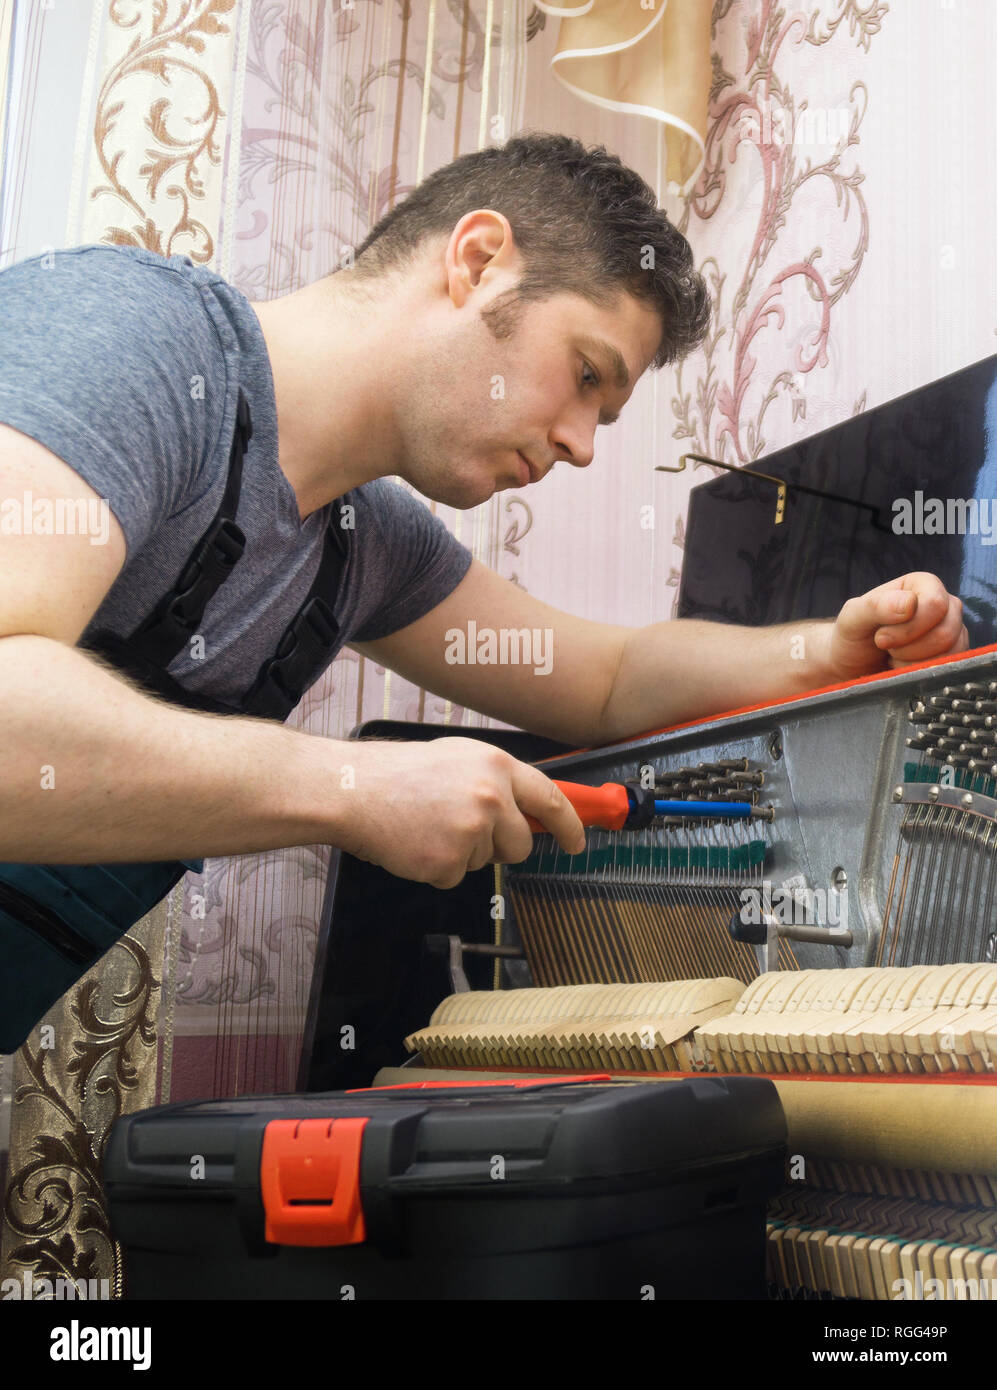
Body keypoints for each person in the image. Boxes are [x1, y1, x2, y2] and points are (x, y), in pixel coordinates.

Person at [0, 132, 968, 900]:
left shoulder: (363, 542)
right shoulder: (130, 336)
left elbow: (606, 679)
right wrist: (348, 787)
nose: (584, 444)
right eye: (586, 374)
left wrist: (827, 655)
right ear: (478, 260)